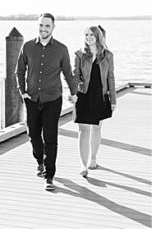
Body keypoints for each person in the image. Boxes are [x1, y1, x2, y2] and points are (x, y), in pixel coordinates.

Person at [15, 13, 78, 191]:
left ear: (53, 27)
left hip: (53, 100)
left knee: (50, 137)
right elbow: (19, 71)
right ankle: (40, 161)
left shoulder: (61, 49)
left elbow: (68, 74)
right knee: (33, 134)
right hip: (32, 98)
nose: (43, 29)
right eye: (41, 25)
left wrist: (74, 94)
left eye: (47, 26)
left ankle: (49, 176)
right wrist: (22, 92)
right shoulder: (28, 47)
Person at [73, 24, 116, 178]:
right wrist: (73, 92)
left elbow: (110, 77)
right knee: (83, 130)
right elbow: (75, 75)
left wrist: (113, 99)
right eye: (86, 35)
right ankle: (83, 165)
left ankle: (93, 159)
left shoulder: (108, 55)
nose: (89, 37)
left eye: (92, 34)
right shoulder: (79, 54)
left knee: (96, 128)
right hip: (83, 95)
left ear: (98, 37)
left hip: (100, 95)